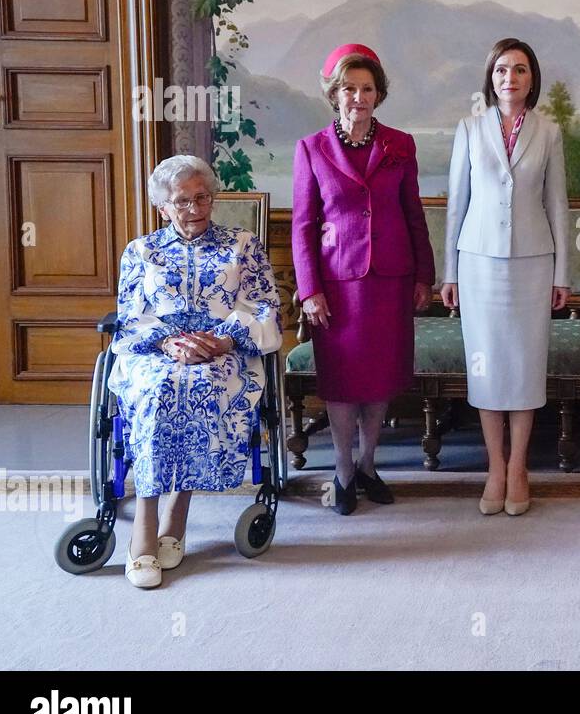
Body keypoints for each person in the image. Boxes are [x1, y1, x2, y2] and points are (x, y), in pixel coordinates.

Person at [109, 155, 282, 588]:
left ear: (212, 197)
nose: (194, 208)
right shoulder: (141, 251)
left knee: (201, 386)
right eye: (182, 201)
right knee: (160, 389)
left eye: (202, 197)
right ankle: (145, 525)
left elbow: (263, 306)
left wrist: (223, 339)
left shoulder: (242, 245)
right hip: (156, 353)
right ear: (162, 207)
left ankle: (177, 513)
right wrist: (167, 342)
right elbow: (129, 318)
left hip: (224, 351)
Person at [292, 43, 435, 515]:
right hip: (336, 286)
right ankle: (342, 469)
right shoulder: (311, 148)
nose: (359, 96)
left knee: (378, 381)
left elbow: (413, 213)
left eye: (367, 88)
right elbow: (303, 226)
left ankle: (370, 465)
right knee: (343, 383)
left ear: (379, 94)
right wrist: (309, 289)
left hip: (391, 281)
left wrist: (424, 276)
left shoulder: (400, 144)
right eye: (349, 88)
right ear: (334, 94)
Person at [441, 39, 571, 517]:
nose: (509, 78)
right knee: (487, 365)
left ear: (531, 78)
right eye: (501, 70)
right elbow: (457, 203)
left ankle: (519, 467)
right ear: (490, 79)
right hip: (478, 264)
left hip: (534, 263)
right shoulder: (469, 129)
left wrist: (564, 274)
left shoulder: (550, 132)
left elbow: (557, 204)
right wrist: (449, 272)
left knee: (523, 363)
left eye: (519, 70)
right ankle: (494, 466)